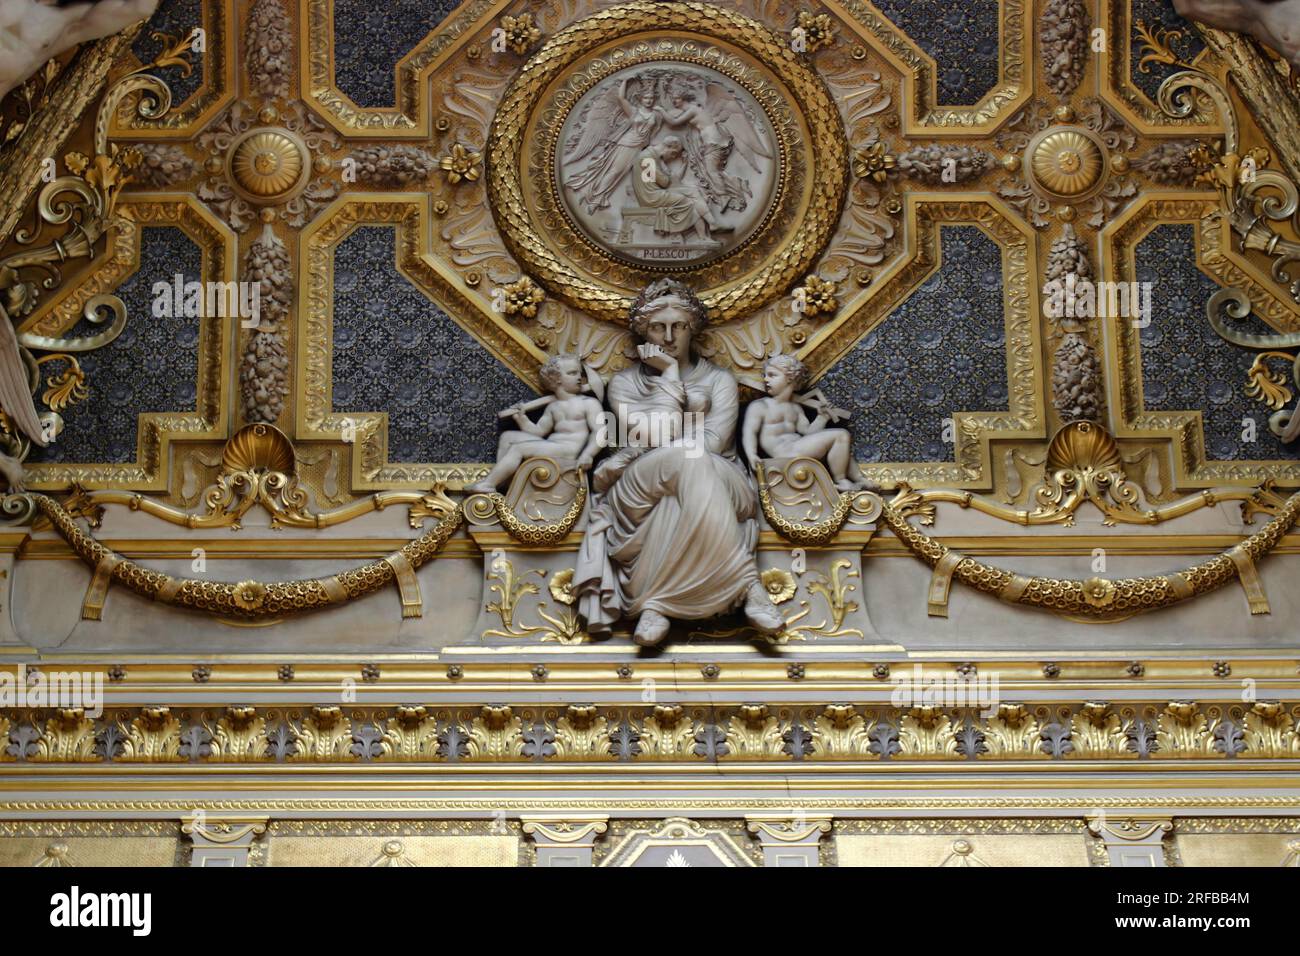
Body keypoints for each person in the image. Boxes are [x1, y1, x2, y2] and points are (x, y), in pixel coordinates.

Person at [574, 279, 785, 646]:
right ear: (644, 333)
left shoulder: (719, 381)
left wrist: (672, 426)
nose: (669, 336)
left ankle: (656, 602)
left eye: (679, 326)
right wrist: (671, 379)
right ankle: (749, 586)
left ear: (694, 330)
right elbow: (653, 438)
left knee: (692, 463)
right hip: (640, 482)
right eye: (658, 327)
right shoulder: (623, 384)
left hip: (721, 477)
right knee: (687, 460)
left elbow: (714, 443)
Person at [468, 354, 604, 493]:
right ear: (556, 379)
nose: (579, 377)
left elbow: (600, 432)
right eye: (572, 373)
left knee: (519, 449)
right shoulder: (553, 407)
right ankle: (504, 482)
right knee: (508, 437)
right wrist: (521, 418)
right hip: (553, 446)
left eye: (579, 373)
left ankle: (488, 484)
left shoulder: (588, 403)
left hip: (568, 450)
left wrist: (588, 454)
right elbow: (538, 431)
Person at [742, 353, 870, 492]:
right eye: (765, 375)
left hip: (797, 448)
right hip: (784, 452)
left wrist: (821, 418)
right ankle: (841, 480)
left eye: (772, 375)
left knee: (840, 445)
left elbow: (808, 433)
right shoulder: (760, 406)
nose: (766, 380)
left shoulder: (795, 408)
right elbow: (749, 433)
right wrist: (752, 455)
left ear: (790, 378)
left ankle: (859, 479)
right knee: (840, 436)